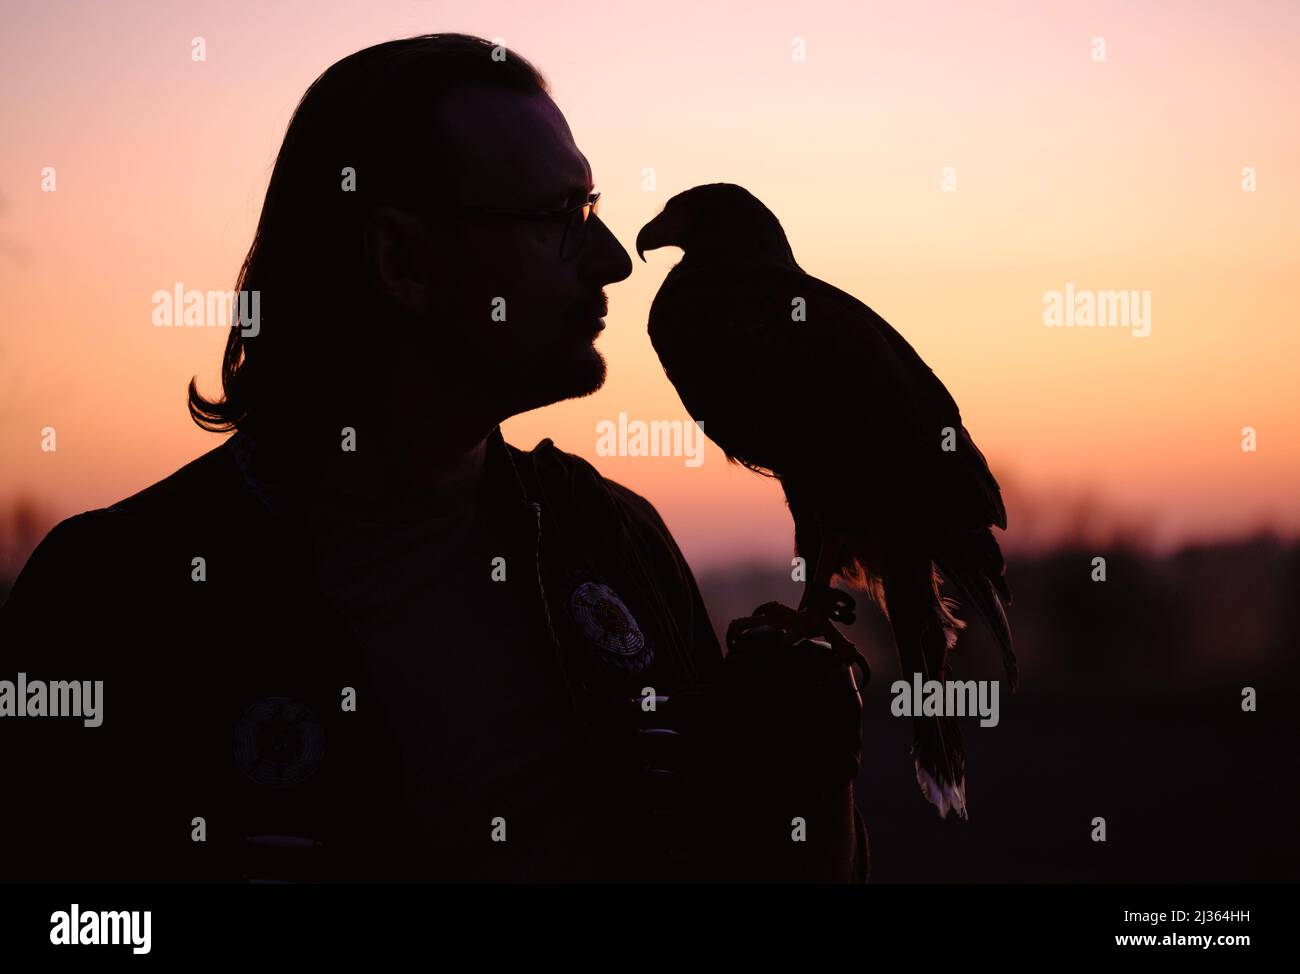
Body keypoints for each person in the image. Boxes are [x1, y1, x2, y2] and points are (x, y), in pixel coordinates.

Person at [0, 34, 866, 883]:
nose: (611, 262)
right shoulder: (112, 597)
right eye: (564, 218)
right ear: (404, 262)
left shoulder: (613, 544)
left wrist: (806, 799)